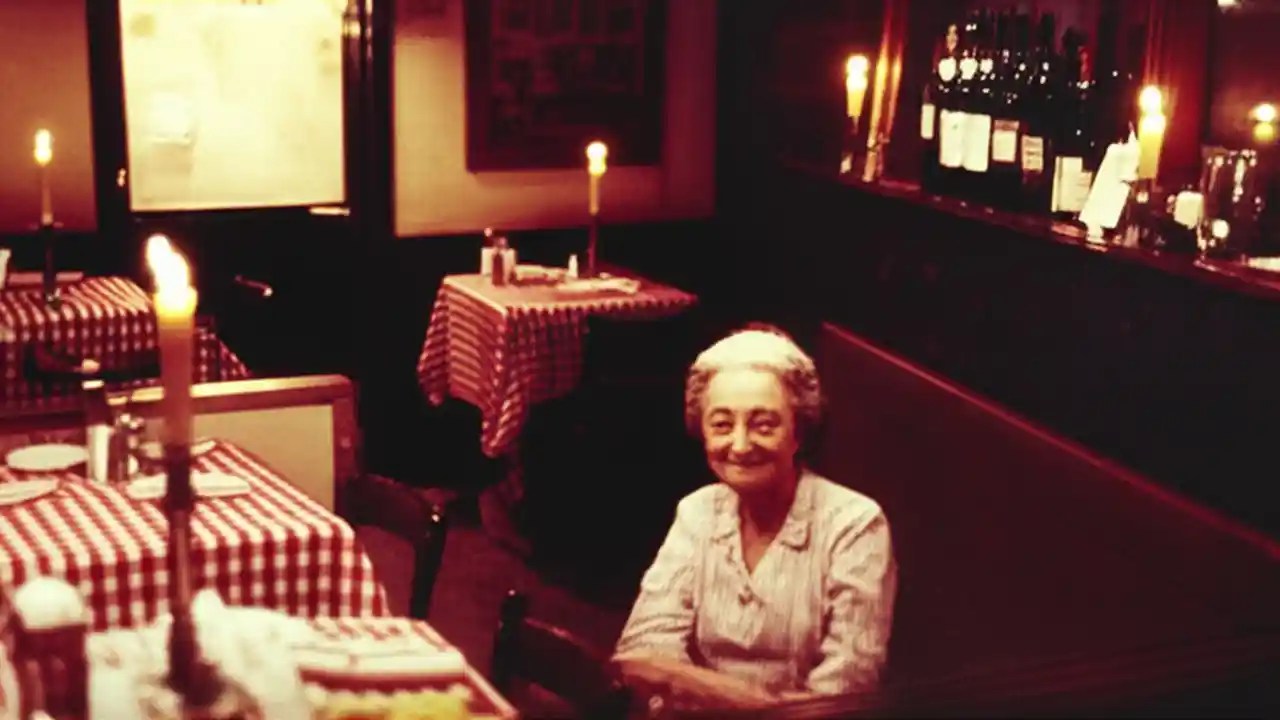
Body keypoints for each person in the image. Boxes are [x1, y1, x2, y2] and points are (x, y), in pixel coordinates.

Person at [613, 325, 897, 708]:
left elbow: (843, 692)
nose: (741, 445)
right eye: (722, 425)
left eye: (764, 425)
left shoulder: (855, 524)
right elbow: (641, 651)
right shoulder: (697, 511)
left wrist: (691, 686)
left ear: (799, 432)